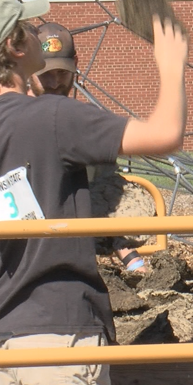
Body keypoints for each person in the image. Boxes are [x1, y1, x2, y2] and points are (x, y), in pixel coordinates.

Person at [0, 0, 188, 385]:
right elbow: (165, 135)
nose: (41, 34)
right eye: (31, 29)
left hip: (0, 339)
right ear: (16, 47)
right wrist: (170, 64)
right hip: (62, 337)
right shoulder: (53, 116)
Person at [33, 21, 147, 273]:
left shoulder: (84, 127)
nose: (53, 83)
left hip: (74, 256)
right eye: (45, 74)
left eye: (62, 73)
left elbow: (103, 199)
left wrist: (131, 259)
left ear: (76, 64)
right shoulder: (12, 122)